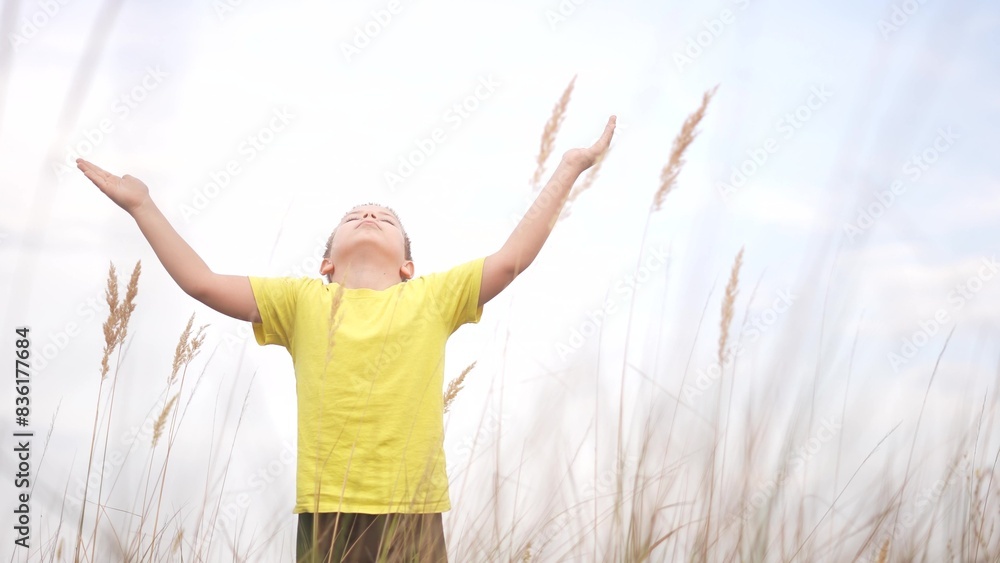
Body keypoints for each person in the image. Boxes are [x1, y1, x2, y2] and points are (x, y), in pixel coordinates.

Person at [77, 115, 615, 562]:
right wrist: (143, 206)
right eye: (355, 216)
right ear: (326, 262)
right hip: (328, 509)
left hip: (413, 507)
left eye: (383, 217)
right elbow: (202, 282)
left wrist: (568, 168)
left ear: (408, 265)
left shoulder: (432, 297)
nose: (369, 215)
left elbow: (512, 258)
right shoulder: (301, 301)